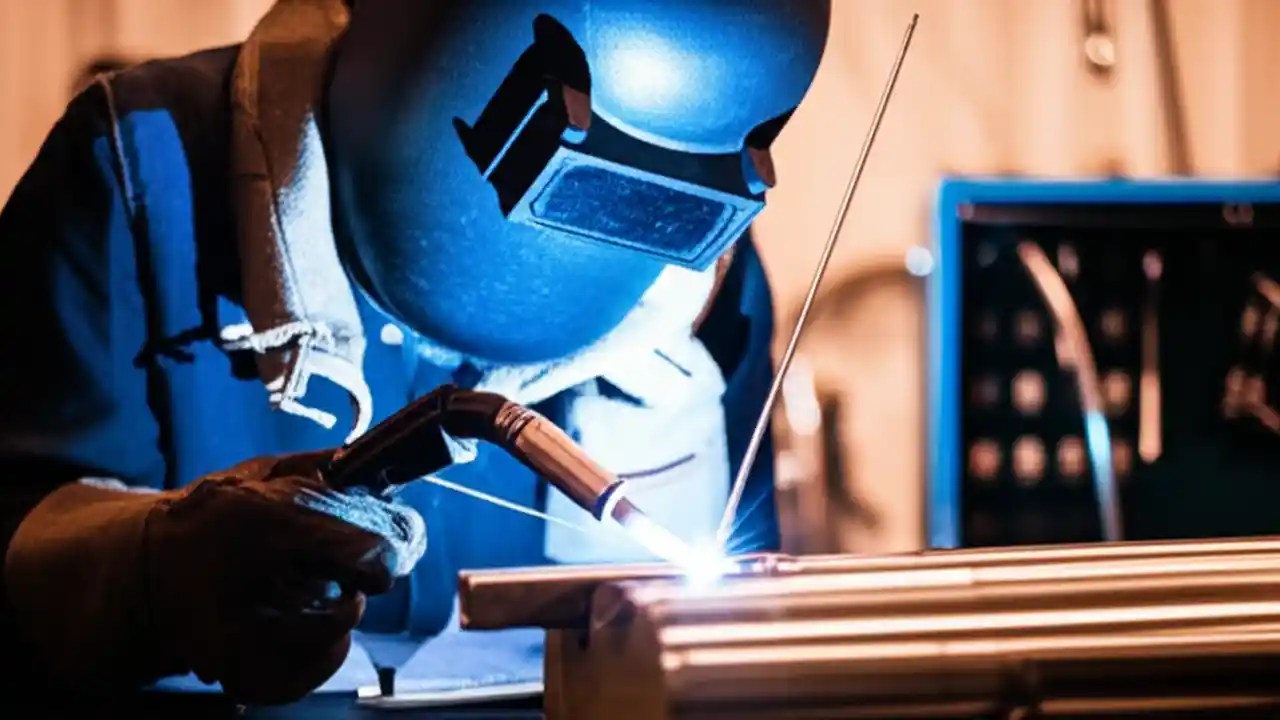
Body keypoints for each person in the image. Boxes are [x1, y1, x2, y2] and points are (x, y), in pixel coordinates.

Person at [0, 0, 830, 706]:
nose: (635, 223)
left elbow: (737, 594)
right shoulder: (143, 167)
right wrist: (153, 571)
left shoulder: (695, 278)